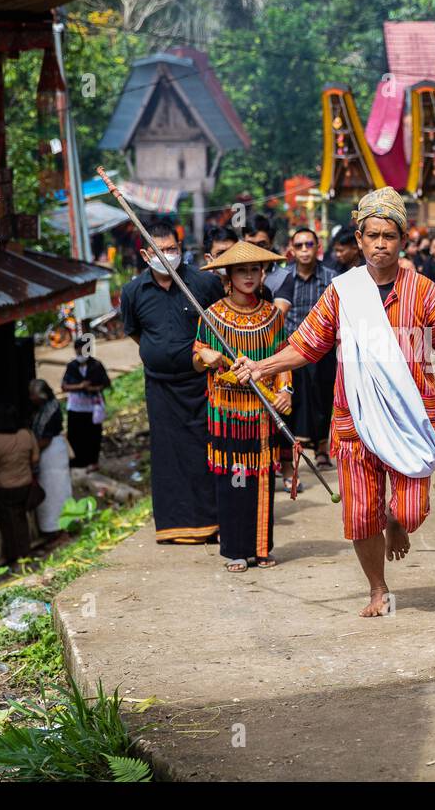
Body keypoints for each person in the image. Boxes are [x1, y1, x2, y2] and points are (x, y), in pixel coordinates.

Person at [233, 187, 435, 618]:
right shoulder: (342, 291)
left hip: (413, 420)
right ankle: (378, 589)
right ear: (358, 239)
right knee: (359, 517)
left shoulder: (425, 292)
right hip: (354, 422)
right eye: (372, 235)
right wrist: (263, 367)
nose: (379, 244)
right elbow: (307, 344)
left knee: (411, 511)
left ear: (402, 240)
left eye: (388, 236)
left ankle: (396, 522)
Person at [120, 224, 225, 544]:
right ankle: (175, 526)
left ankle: (212, 523)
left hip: (201, 384)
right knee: (168, 456)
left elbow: (222, 321)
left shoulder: (203, 282)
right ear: (144, 254)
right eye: (159, 250)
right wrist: (160, 354)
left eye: (172, 249)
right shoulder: (133, 291)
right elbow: (136, 333)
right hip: (161, 388)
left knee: (206, 451)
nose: (167, 256)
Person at [193, 241, 292, 572]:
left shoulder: (272, 316)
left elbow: (283, 359)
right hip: (227, 411)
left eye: (254, 269)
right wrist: (204, 356)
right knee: (233, 478)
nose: (249, 276)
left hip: (263, 412)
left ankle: (261, 547)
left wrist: (286, 390)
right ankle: (235, 548)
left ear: (263, 274)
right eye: (241, 270)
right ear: (228, 275)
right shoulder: (211, 316)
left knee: (262, 477)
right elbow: (197, 356)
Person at [273, 227, 337, 474]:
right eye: (298, 245)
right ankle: (288, 456)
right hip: (290, 348)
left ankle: (322, 450)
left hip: (323, 349)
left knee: (323, 399)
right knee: (291, 400)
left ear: (317, 247)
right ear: (291, 249)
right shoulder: (283, 277)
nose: (304, 250)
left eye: (308, 245)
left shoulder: (331, 278)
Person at [0, 403, 38, 566]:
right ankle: (26, 552)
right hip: (25, 485)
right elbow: (35, 458)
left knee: (8, 524)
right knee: (22, 519)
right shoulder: (27, 434)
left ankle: (14, 557)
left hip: (4, 488)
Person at [28, 378, 71, 542]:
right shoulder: (42, 408)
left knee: (57, 492)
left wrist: (30, 451)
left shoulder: (51, 410)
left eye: (33, 395)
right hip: (48, 455)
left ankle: (61, 530)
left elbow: (46, 439)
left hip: (52, 454)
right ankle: (54, 530)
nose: (31, 398)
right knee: (51, 492)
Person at [61, 337, 111, 470]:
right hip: (75, 407)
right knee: (75, 434)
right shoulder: (72, 366)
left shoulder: (96, 365)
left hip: (92, 407)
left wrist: (93, 388)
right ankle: (77, 462)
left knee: (93, 435)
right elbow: (64, 386)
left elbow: (106, 383)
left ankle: (93, 462)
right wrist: (80, 386)